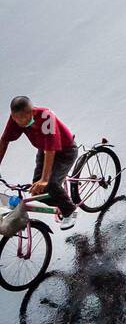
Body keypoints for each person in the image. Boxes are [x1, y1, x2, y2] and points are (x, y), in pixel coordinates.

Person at [0, 96, 78, 229]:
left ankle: (70, 210)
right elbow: (4, 141)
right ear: (12, 115)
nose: (20, 122)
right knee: (37, 192)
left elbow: (51, 150)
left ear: (31, 112)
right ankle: (62, 201)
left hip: (65, 151)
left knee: (51, 184)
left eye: (23, 118)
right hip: (44, 150)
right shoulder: (15, 119)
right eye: (16, 118)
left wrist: (44, 179)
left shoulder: (46, 116)